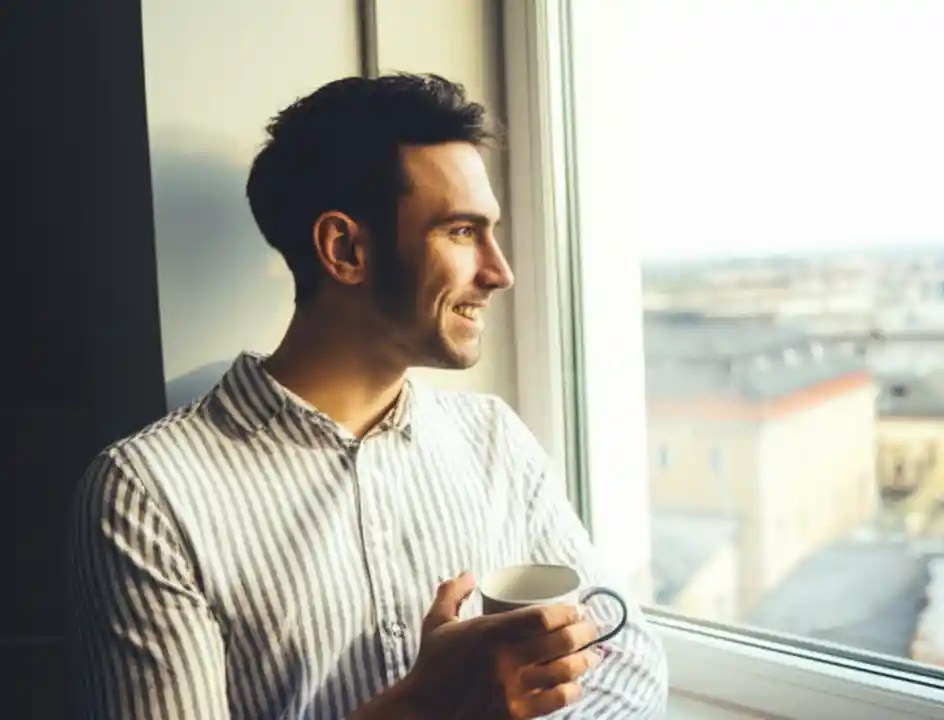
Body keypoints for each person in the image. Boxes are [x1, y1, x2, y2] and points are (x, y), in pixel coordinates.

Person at [66, 73, 668, 719]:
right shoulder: (147, 493)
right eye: (462, 231)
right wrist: (425, 706)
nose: (499, 271)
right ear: (345, 248)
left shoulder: (494, 439)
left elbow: (627, 664)